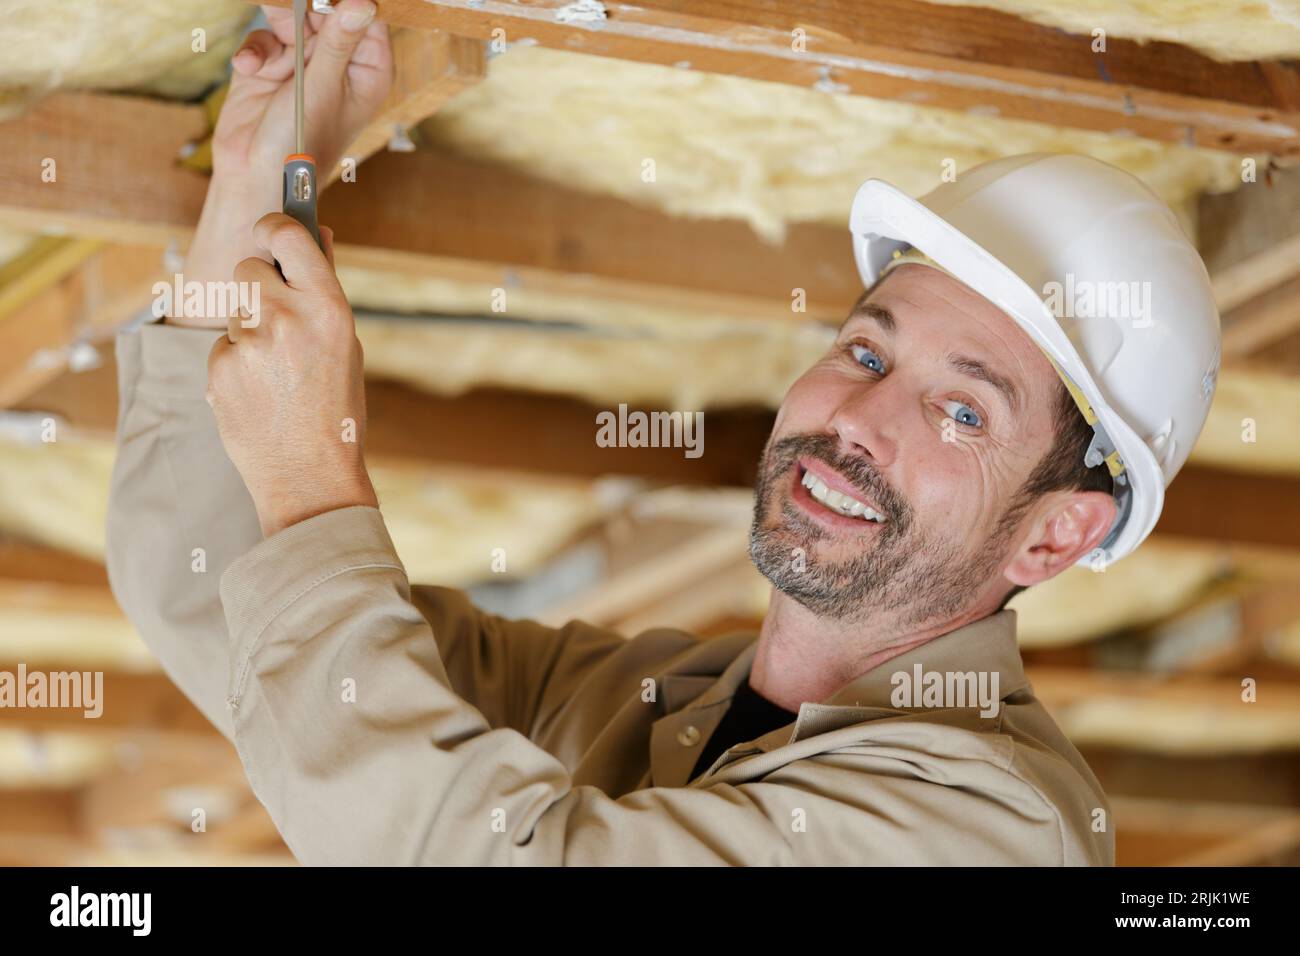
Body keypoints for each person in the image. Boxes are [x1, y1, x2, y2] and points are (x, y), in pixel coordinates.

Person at [105, 0, 1220, 865]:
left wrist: (312, 472)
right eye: (866, 353)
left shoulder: (985, 824)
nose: (854, 421)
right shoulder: (635, 701)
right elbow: (219, 594)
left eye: (960, 409)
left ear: (1052, 537)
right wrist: (252, 198)